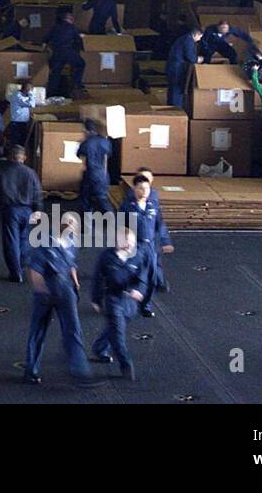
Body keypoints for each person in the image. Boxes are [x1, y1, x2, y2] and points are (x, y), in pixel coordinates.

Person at [23, 215, 93, 386]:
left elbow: (71, 264)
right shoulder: (44, 243)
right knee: (38, 331)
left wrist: (75, 283)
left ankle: (79, 369)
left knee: (73, 329)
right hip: (46, 289)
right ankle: (31, 370)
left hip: (65, 288)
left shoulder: (72, 242)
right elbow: (34, 270)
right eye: (67, 221)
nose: (69, 225)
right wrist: (41, 291)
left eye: (73, 223)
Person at [89, 226, 149, 380]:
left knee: (114, 328)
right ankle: (126, 365)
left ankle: (99, 348)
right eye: (126, 242)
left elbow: (142, 277)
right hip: (113, 299)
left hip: (130, 302)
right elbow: (97, 278)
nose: (130, 245)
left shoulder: (137, 256)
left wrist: (139, 290)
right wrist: (95, 299)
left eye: (132, 242)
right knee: (118, 335)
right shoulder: (106, 257)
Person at [120, 172, 173, 317]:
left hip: (150, 247)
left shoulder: (152, 206)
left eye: (147, 189)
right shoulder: (127, 207)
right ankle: (124, 305)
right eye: (141, 188)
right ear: (134, 189)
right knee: (132, 277)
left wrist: (165, 242)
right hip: (134, 247)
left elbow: (160, 225)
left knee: (152, 278)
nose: (144, 192)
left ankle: (146, 305)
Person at [0, 144, 42, 283]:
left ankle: (15, 272)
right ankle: (23, 262)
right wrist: (37, 209)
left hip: (10, 210)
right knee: (24, 239)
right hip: (27, 210)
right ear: (24, 158)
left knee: (11, 241)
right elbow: (37, 192)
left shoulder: (3, 172)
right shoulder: (31, 173)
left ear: (9, 157)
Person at [76, 118, 114, 214]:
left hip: (90, 173)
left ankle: (87, 223)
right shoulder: (105, 141)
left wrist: (81, 143)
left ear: (87, 130)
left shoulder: (86, 143)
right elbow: (108, 156)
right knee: (102, 198)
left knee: (86, 199)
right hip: (103, 174)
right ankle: (113, 219)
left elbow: (80, 155)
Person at [45, 10, 85, 97]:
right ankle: (76, 84)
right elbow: (78, 41)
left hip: (56, 53)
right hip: (67, 52)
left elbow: (46, 38)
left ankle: (50, 93)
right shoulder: (72, 27)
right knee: (81, 64)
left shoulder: (55, 27)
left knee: (55, 73)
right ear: (69, 19)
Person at [165, 27, 204, 108]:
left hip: (173, 66)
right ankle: (176, 109)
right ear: (196, 34)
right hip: (177, 68)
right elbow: (190, 57)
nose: (199, 39)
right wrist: (198, 59)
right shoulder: (188, 41)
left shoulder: (184, 38)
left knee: (172, 88)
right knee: (177, 88)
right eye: (200, 37)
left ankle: (170, 107)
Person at [7, 81, 36, 148]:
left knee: (23, 144)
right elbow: (31, 104)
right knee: (16, 144)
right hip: (17, 124)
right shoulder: (18, 96)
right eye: (29, 91)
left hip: (24, 123)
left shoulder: (25, 97)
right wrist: (31, 94)